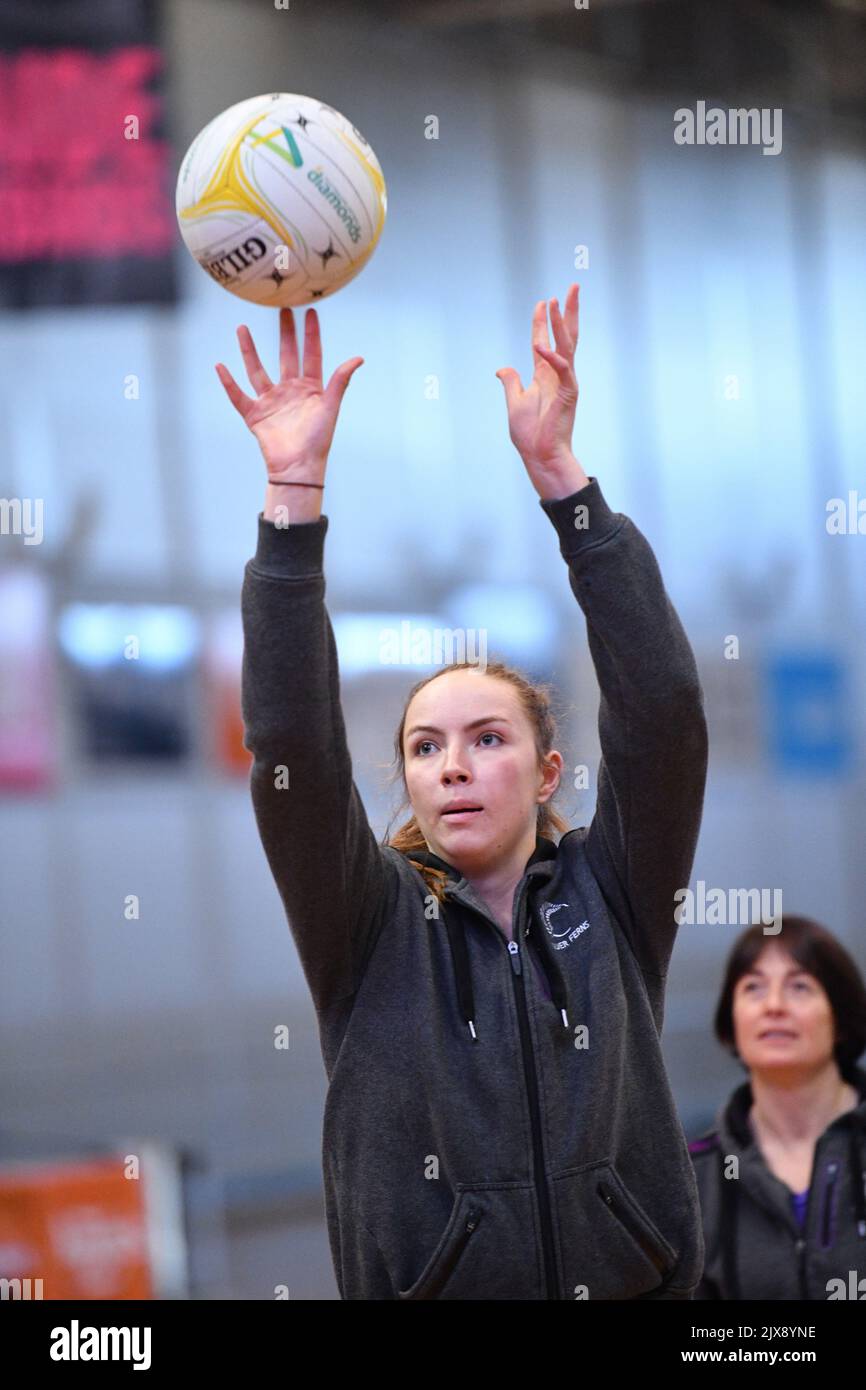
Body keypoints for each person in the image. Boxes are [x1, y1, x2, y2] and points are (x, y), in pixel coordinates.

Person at [217, 284, 709, 1299]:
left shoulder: (609, 895)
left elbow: (661, 711)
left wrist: (563, 485)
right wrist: (292, 500)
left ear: (543, 772)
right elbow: (289, 742)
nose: (451, 763)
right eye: (425, 745)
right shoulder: (366, 922)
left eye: (486, 739)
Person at [689, 917, 866, 1299]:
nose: (773, 1006)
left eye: (799, 986)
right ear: (730, 1024)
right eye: (753, 987)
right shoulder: (693, 1178)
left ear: (842, 1018)